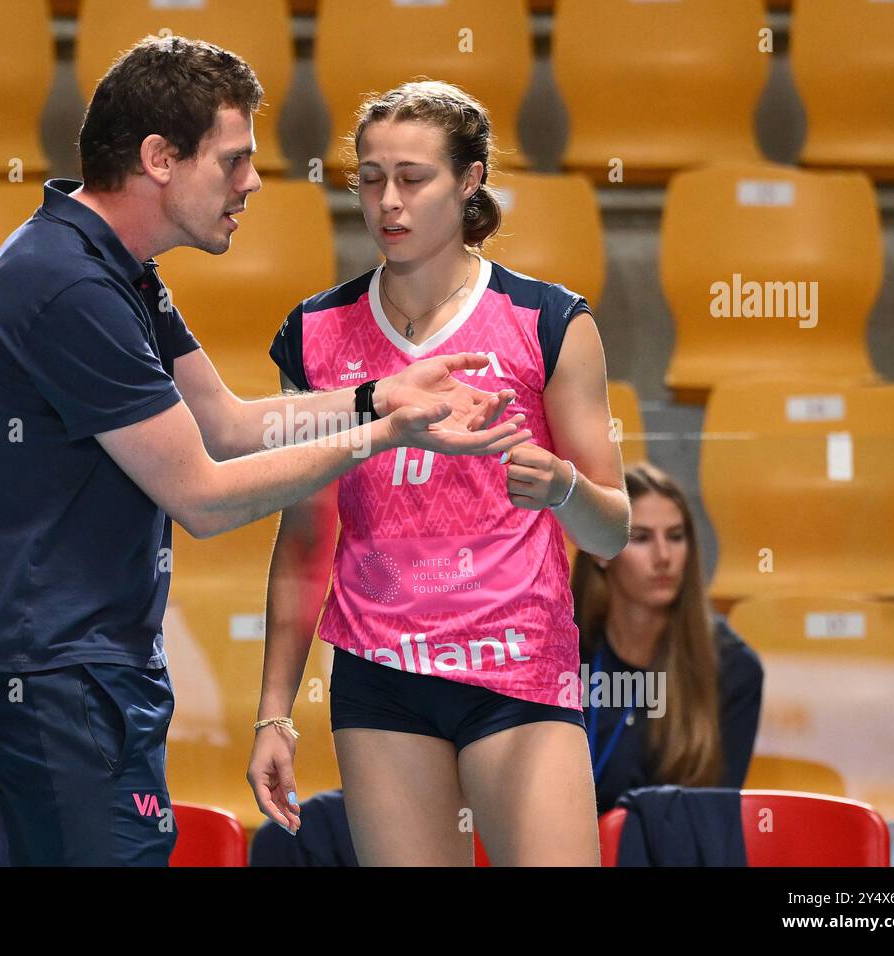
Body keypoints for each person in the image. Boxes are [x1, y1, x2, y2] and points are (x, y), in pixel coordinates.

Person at [0, 38, 529, 866]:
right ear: (160, 158)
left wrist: (381, 394)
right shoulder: (70, 288)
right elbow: (203, 496)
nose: (254, 182)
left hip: (85, 659)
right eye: (233, 160)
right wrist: (382, 437)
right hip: (51, 665)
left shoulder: (119, 268)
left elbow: (229, 425)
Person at [249, 81, 631, 866]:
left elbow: (614, 530)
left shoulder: (549, 321)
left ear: (470, 180)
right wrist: (273, 714)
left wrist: (560, 488)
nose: (387, 201)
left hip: (515, 666)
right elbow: (303, 541)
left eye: (413, 178)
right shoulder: (316, 333)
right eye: (370, 177)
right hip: (380, 674)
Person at [572, 461, 764, 814]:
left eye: (676, 536)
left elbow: (711, 818)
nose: (664, 557)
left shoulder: (733, 668)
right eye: (640, 538)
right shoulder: (563, 653)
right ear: (600, 551)